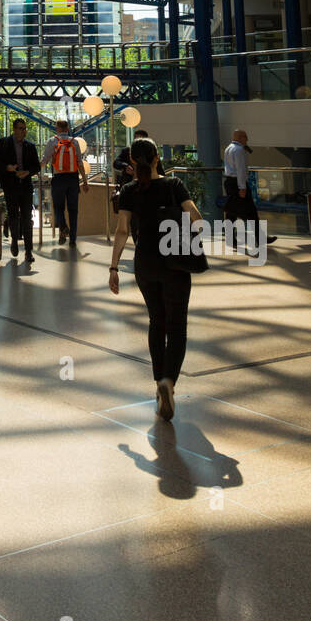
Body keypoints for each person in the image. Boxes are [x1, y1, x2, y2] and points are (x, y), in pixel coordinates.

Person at [109, 137, 204, 421]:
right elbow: (197, 219)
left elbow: (123, 230)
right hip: (174, 261)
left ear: (134, 162)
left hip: (145, 263)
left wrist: (113, 268)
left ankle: (157, 382)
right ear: (156, 159)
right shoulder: (174, 185)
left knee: (156, 321)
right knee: (177, 326)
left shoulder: (128, 190)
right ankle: (168, 382)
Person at [0, 117, 41, 264]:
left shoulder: (30, 146)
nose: (23, 131)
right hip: (10, 186)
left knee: (27, 218)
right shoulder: (4, 143)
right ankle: (14, 239)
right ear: (14, 129)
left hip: (25, 186)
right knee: (13, 216)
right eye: (20, 128)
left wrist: (27, 172)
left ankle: (29, 251)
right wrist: (8, 168)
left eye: (25, 128)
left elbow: (36, 166)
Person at [223, 128, 276, 252]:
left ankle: (231, 239)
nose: (247, 139)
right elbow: (241, 170)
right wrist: (242, 187)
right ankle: (260, 238)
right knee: (251, 211)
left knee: (232, 211)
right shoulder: (239, 150)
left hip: (230, 183)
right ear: (240, 137)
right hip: (238, 183)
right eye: (245, 137)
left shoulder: (228, 148)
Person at [42, 118, 89, 247]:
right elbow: (80, 163)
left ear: (57, 129)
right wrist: (85, 181)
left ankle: (63, 228)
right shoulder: (74, 142)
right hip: (73, 179)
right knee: (73, 210)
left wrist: (34, 171)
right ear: (67, 129)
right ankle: (73, 239)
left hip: (59, 179)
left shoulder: (53, 141)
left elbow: (44, 160)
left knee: (58, 207)